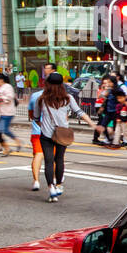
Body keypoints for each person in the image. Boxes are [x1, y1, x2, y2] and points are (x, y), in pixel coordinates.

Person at [33, 72, 94, 202]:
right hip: (62, 135)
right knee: (59, 159)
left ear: (47, 84)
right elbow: (80, 112)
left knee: (48, 161)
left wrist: (45, 126)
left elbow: (36, 118)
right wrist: (92, 124)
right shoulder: (68, 98)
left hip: (46, 135)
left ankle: (51, 188)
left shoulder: (41, 99)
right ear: (62, 85)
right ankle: (59, 185)